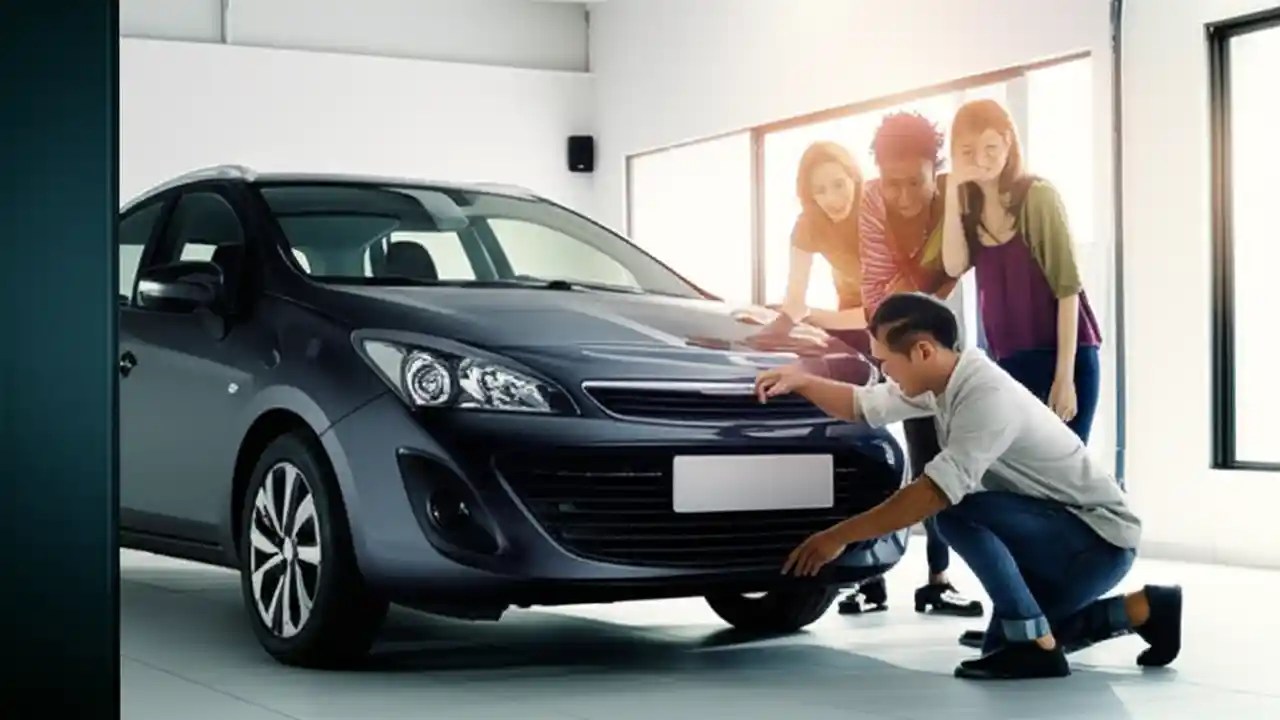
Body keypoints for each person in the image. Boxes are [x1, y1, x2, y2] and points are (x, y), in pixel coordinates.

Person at [754, 293, 1182, 680]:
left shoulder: (985, 396)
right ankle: (1147, 608)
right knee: (1014, 640)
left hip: (1095, 541)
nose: (883, 372)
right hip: (1056, 533)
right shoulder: (938, 382)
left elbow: (932, 493)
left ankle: (1032, 641)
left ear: (922, 350)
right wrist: (803, 381)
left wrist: (837, 537)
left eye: (886, 363)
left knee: (952, 510)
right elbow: (862, 406)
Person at [836, 112, 981, 619]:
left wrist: (925, 319)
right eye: (892, 182)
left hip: (944, 352)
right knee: (877, 458)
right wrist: (896, 346)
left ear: (933, 169)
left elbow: (960, 271)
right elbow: (876, 286)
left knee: (933, 463)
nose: (902, 195)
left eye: (913, 182)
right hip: (894, 344)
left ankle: (937, 581)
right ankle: (869, 578)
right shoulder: (873, 200)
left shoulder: (953, 196)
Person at [940, 98, 1103, 443]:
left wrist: (1064, 378)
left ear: (1008, 144)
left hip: (1063, 357)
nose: (981, 160)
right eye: (968, 151)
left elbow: (1068, 289)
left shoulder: (1037, 197)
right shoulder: (968, 208)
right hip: (1010, 364)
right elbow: (954, 265)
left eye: (991, 147)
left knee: (1065, 476)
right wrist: (953, 192)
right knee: (1024, 477)